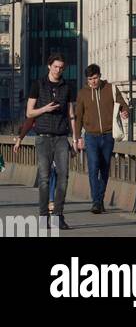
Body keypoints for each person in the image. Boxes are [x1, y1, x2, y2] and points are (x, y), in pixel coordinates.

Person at [26, 52, 77, 230]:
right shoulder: (38, 85)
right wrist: (45, 108)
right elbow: (29, 113)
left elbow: (71, 115)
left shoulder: (67, 87)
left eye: (61, 68)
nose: (58, 70)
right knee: (44, 178)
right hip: (43, 137)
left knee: (64, 177)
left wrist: (75, 139)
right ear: (49, 66)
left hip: (62, 137)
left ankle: (58, 216)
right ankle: (43, 217)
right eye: (55, 67)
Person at [74, 63, 130, 214]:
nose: (93, 81)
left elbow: (123, 104)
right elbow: (78, 117)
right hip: (91, 136)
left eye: (95, 78)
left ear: (100, 76)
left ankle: (100, 199)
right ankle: (96, 202)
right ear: (87, 79)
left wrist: (124, 112)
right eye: (90, 79)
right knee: (93, 167)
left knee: (104, 168)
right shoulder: (82, 93)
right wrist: (77, 137)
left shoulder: (110, 88)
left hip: (108, 135)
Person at [14, 116, 57, 212]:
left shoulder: (58, 104)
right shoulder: (38, 104)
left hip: (57, 140)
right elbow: (29, 121)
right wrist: (19, 139)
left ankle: (51, 200)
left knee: (54, 171)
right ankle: (47, 200)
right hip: (42, 141)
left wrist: (75, 138)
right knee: (46, 173)